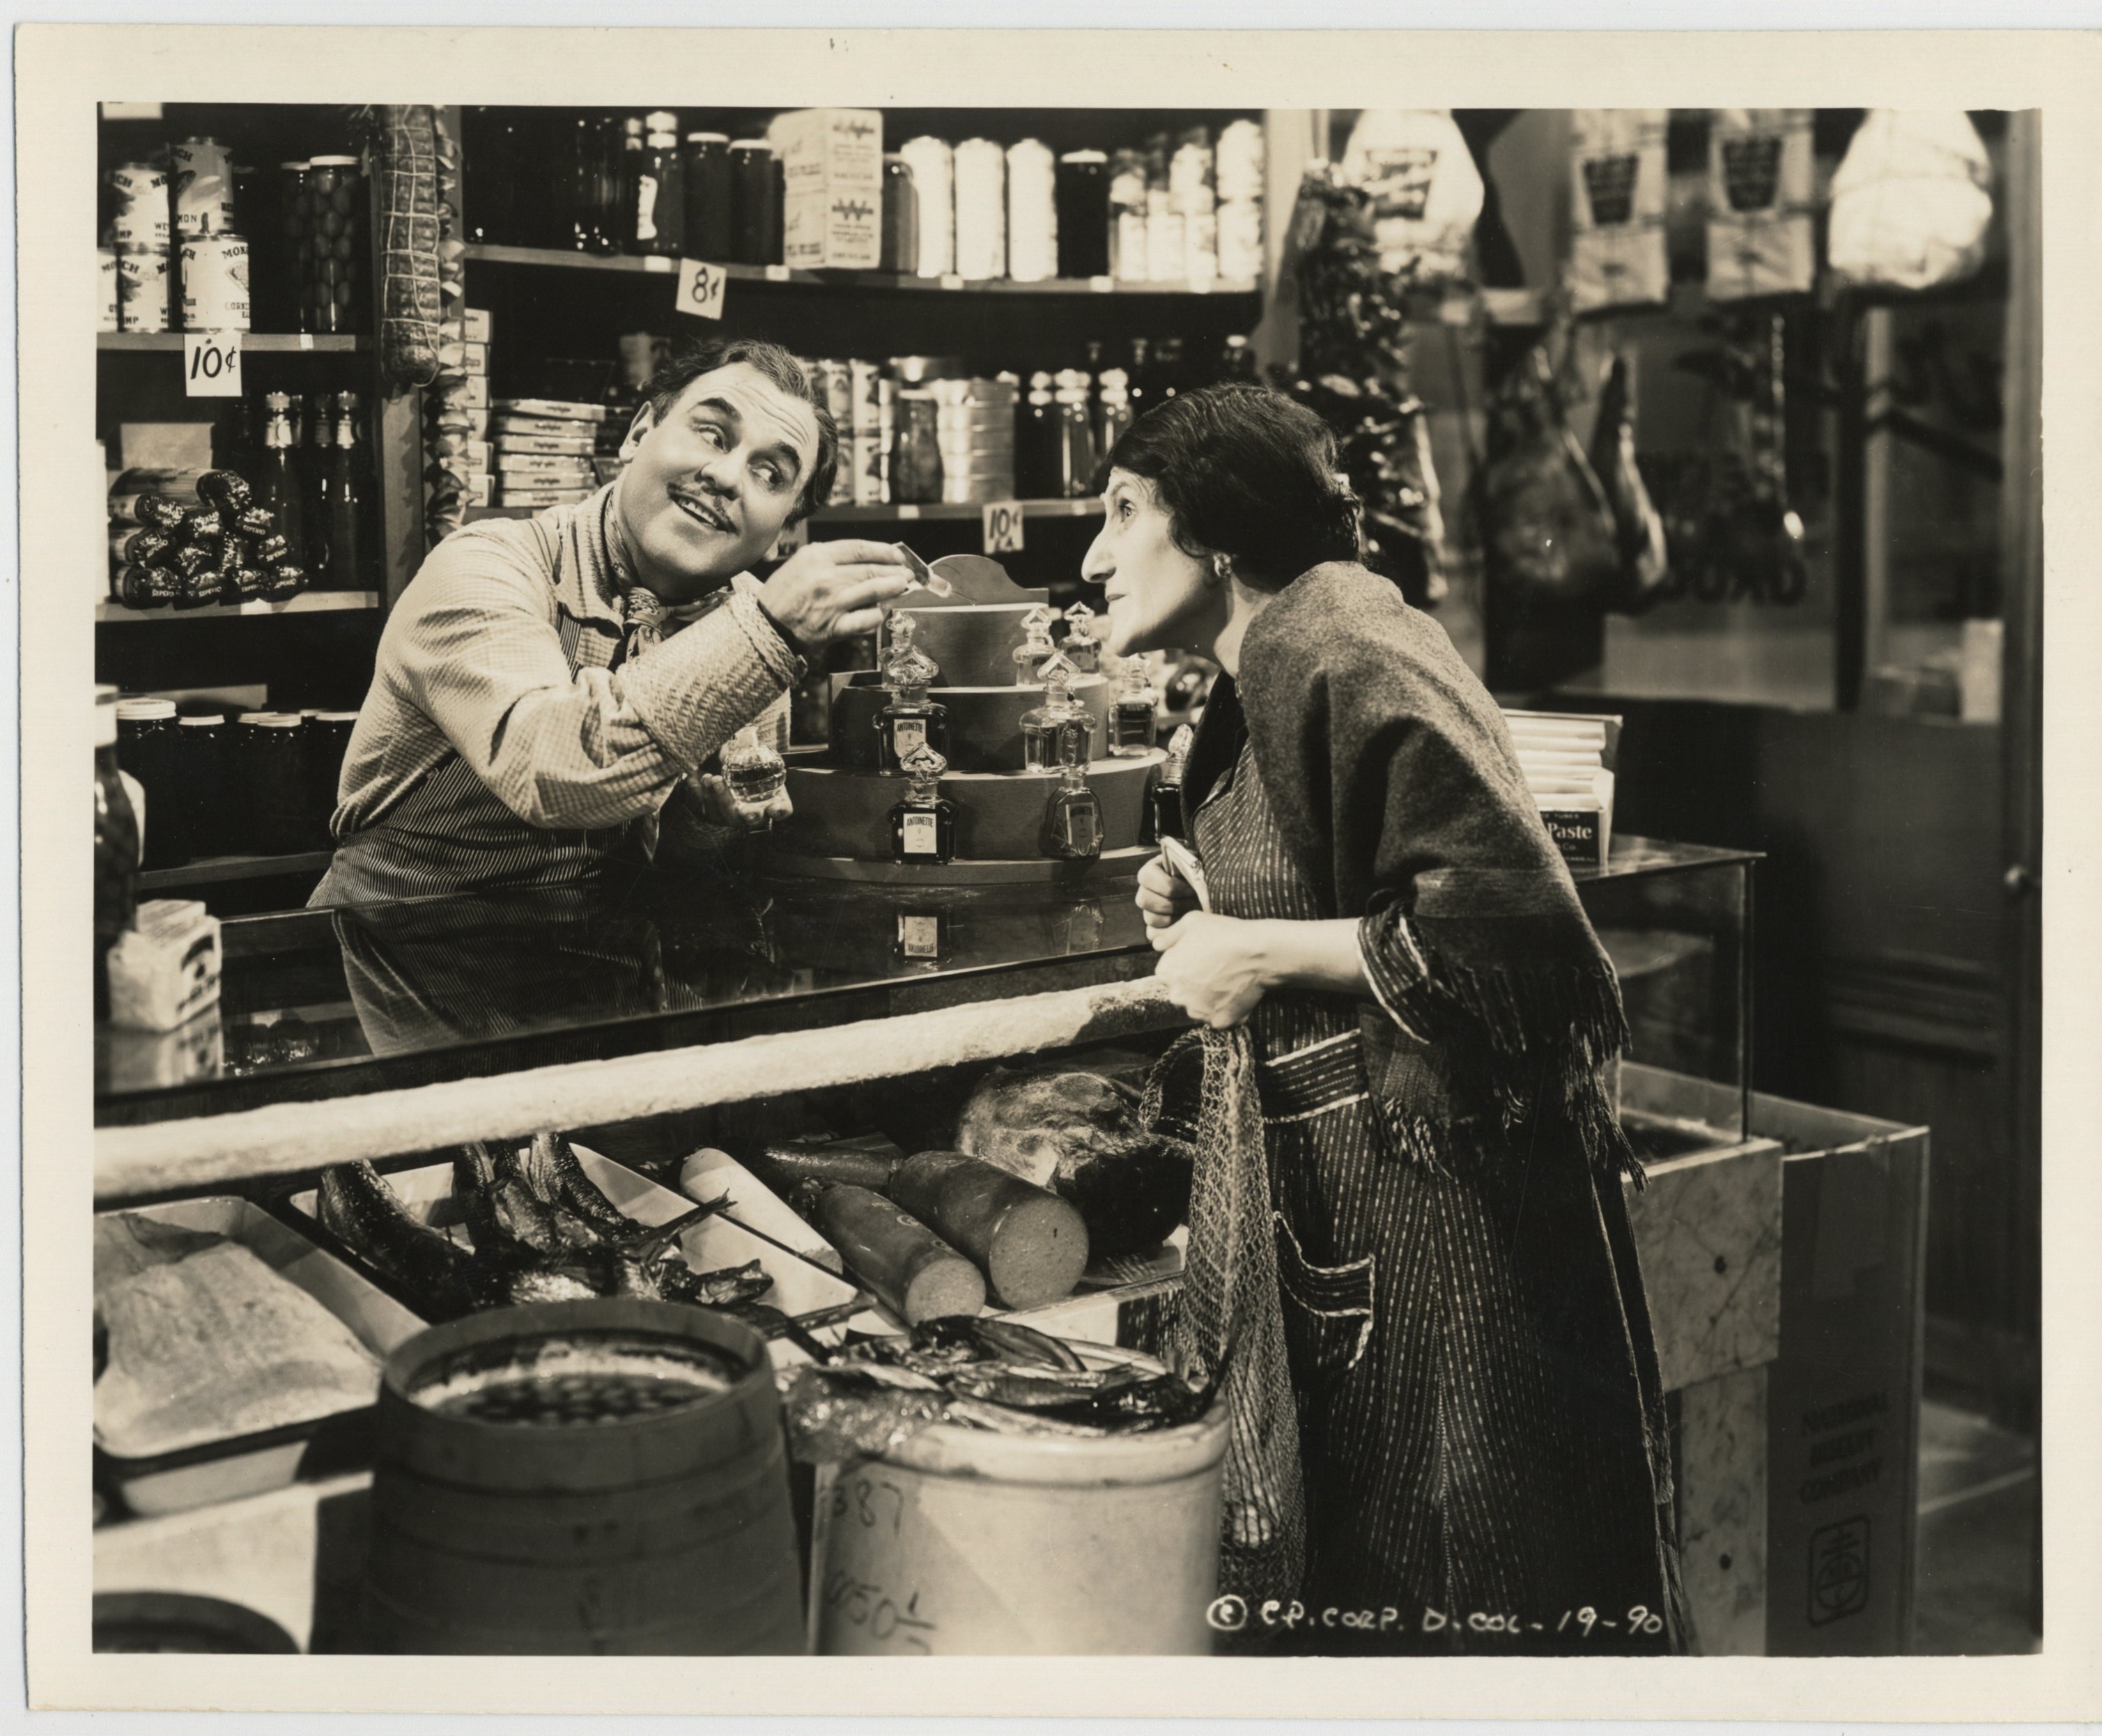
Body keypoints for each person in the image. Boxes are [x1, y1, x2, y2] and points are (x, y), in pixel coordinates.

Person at [1083, 382, 1687, 1655]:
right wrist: (1218, 900)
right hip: (1357, 1211)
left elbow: (1507, 939)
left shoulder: (1344, 639)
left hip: (1445, 1225)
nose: (1093, 554)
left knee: (1467, 1585)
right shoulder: (1269, 660)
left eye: (1123, 510)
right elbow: (1357, 883)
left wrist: (1253, 949)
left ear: (1216, 530)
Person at [311, 336, 915, 906]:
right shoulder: (488, 563)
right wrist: (768, 636)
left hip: (596, 986)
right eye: (711, 434)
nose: (728, 476)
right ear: (638, 432)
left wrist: (703, 826)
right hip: (402, 964)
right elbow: (548, 770)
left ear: (783, 530)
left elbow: (674, 877)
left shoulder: (748, 618)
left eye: (769, 475)